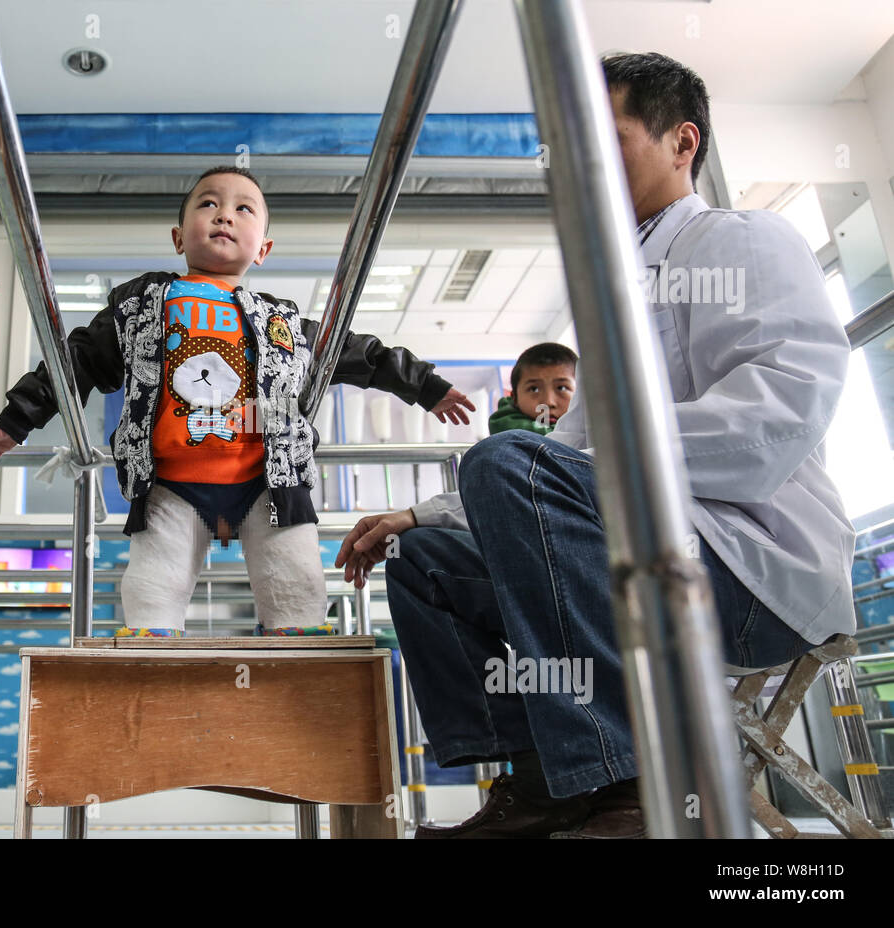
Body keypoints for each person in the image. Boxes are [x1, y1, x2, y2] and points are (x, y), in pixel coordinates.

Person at [336, 51, 855, 839]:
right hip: (651, 562)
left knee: (504, 461)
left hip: (754, 577)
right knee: (428, 566)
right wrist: (416, 516)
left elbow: (777, 419)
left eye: (604, 138)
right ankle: (542, 780)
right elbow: (565, 461)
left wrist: (588, 465)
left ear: (683, 144)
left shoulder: (741, 239)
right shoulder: (623, 290)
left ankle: (626, 782)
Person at [0, 165, 475, 637]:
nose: (225, 214)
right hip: (169, 485)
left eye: (243, 208)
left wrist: (423, 386)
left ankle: (294, 683)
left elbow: (361, 353)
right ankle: (151, 679)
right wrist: (15, 421)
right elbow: (73, 361)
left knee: (296, 592)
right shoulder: (143, 305)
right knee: (151, 593)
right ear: (177, 236)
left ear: (264, 249)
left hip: (268, 483)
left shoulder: (284, 324)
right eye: (208, 204)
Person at [488, 343, 577, 436]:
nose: (548, 402)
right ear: (515, 398)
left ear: (580, 396)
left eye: (561, 388)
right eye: (534, 389)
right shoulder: (506, 423)